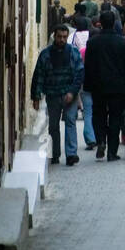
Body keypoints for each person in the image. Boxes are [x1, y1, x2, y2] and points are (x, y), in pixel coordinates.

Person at [82, 9, 125, 162]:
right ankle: (112, 152)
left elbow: (89, 66)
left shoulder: (92, 43)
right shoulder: (123, 43)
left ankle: (100, 140)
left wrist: (88, 86)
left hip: (98, 86)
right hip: (118, 87)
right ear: (114, 23)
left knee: (98, 115)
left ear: (100, 23)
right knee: (115, 118)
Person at [31, 24, 84, 166]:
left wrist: (72, 92)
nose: (62, 39)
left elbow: (79, 74)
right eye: (59, 37)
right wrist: (36, 97)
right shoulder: (46, 54)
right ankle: (55, 154)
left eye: (65, 37)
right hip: (53, 95)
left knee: (70, 122)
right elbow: (39, 75)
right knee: (53, 126)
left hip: (69, 94)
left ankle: (71, 154)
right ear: (54, 36)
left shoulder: (73, 52)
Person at [68, 18, 96, 150]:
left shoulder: (72, 36)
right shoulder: (92, 36)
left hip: (82, 79)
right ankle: (96, 137)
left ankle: (90, 137)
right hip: (96, 80)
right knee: (95, 110)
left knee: (87, 111)